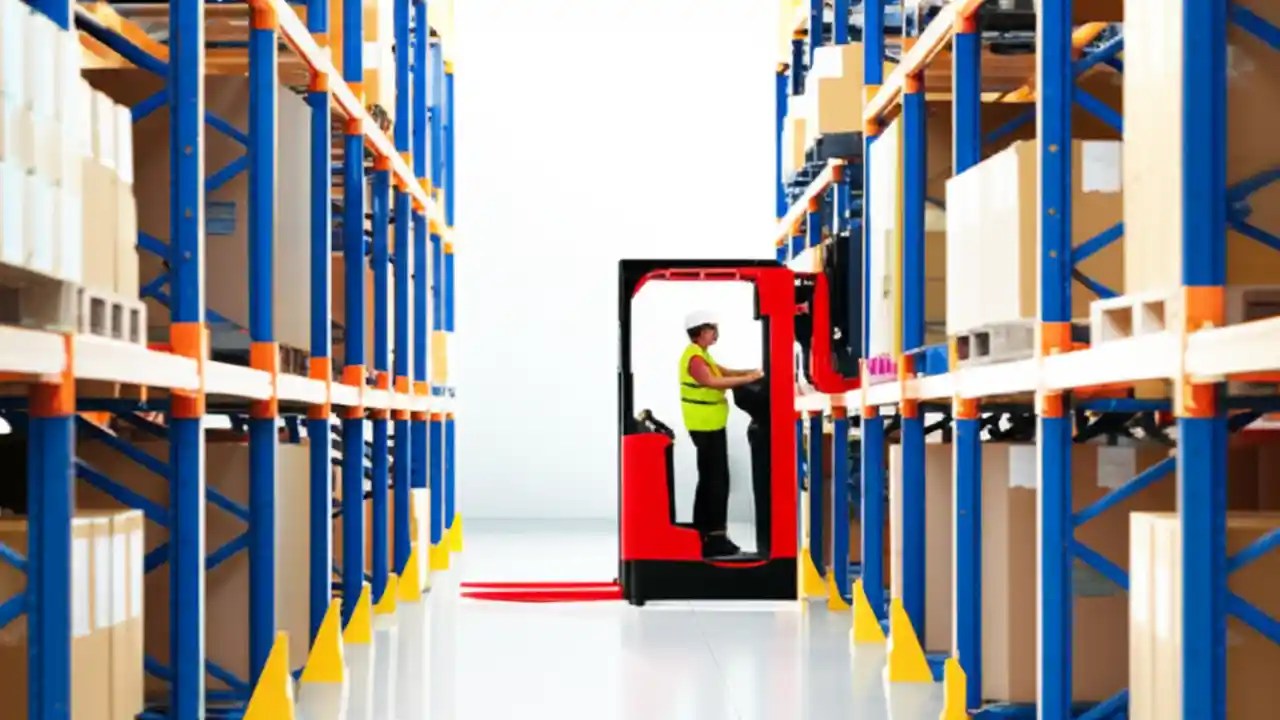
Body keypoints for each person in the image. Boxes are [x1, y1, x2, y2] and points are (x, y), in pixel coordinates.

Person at [679, 310, 763, 559]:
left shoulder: (702, 355)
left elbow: (724, 373)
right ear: (702, 331)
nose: (716, 332)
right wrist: (749, 379)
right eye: (712, 328)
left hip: (709, 424)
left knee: (710, 479)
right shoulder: (693, 358)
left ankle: (704, 533)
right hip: (705, 425)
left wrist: (754, 372)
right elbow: (712, 382)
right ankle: (714, 538)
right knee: (715, 481)